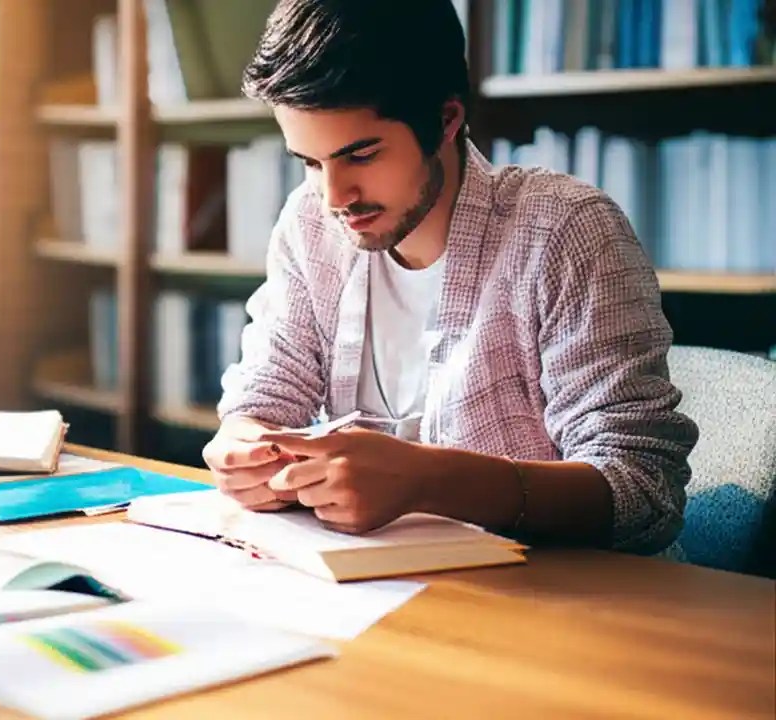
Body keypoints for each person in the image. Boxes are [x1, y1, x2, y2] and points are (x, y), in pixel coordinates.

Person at [203, 0, 698, 555]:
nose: (333, 198)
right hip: (379, 598)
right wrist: (243, 443)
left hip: (561, 603)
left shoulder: (566, 231)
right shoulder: (308, 223)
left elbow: (643, 491)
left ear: (446, 121)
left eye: (361, 155)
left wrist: (430, 480)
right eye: (311, 162)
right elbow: (265, 396)